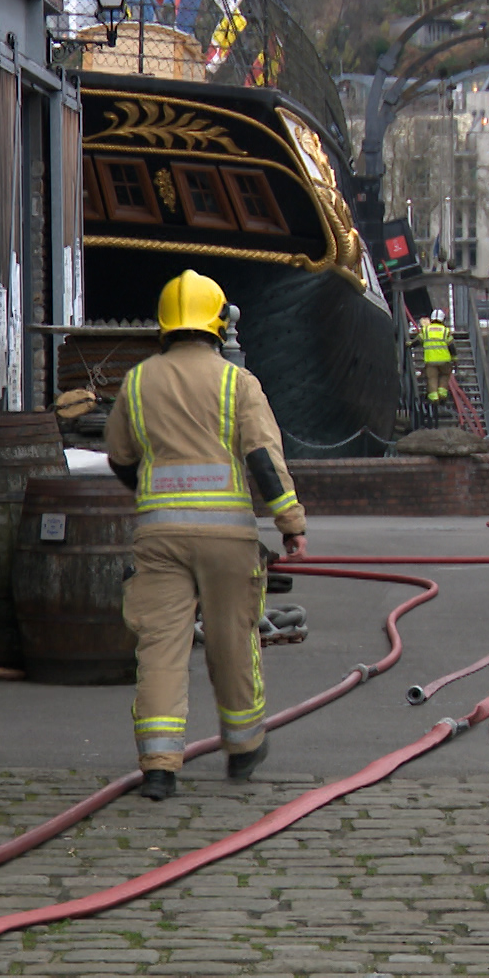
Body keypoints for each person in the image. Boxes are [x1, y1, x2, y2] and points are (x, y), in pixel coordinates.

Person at [105, 270, 308, 801]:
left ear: (165, 325)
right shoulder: (236, 383)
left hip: (160, 536)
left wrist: (152, 495)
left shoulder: (137, 381)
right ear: (220, 324)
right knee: (233, 641)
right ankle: (243, 750)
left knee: (161, 648)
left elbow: (121, 458)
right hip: (227, 541)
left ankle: (159, 767)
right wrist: (290, 524)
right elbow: (263, 460)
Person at [416, 310, 452, 402]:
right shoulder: (446, 331)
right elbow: (451, 345)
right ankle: (442, 394)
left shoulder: (426, 330)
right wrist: (455, 358)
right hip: (444, 361)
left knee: (432, 378)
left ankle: (434, 398)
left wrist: (409, 344)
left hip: (430, 360)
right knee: (444, 375)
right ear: (443, 319)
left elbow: (418, 340)